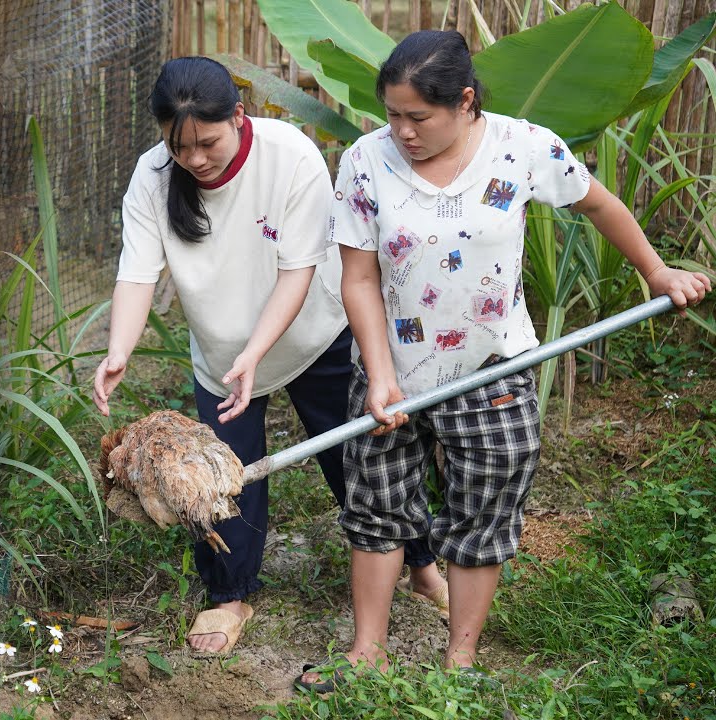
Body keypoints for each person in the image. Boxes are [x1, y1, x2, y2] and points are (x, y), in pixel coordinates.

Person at [298, 30, 710, 690]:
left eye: (417, 117)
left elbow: (598, 204)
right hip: (392, 373)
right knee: (375, 508)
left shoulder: (524, 149)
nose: (401, 130)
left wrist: (657, 272)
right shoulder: (365, 162)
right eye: (392, 114)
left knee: (482, 511)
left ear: (465, 102)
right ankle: (366, 651)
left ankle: (458, 662)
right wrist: (379, 377)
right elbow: (359, 278)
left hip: (493, 369)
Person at [92, 57, 448, 654]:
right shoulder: (152, 176)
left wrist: (258, 353)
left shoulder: (289, 155)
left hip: (314, 334)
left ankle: (420, 564)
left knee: (361, 459)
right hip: (222, 355)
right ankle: (230, 596)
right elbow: (137, 271)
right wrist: (118, 350)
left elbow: (298, 271)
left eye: (207, 142)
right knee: (220, 481)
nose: (195, 159)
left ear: (238, 115)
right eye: (180, 147)